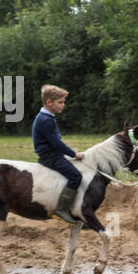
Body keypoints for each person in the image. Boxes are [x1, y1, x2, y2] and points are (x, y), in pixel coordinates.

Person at [32, 85, 84, 223]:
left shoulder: (46, 117)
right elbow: (57, 144)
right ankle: (61, 209)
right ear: (49, 102)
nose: (63, 105)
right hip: (50, 157)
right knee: (76, 176)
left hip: (52, 154)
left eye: (63, 102)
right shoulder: (46, 120)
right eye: (60, 102)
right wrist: (74, 154)